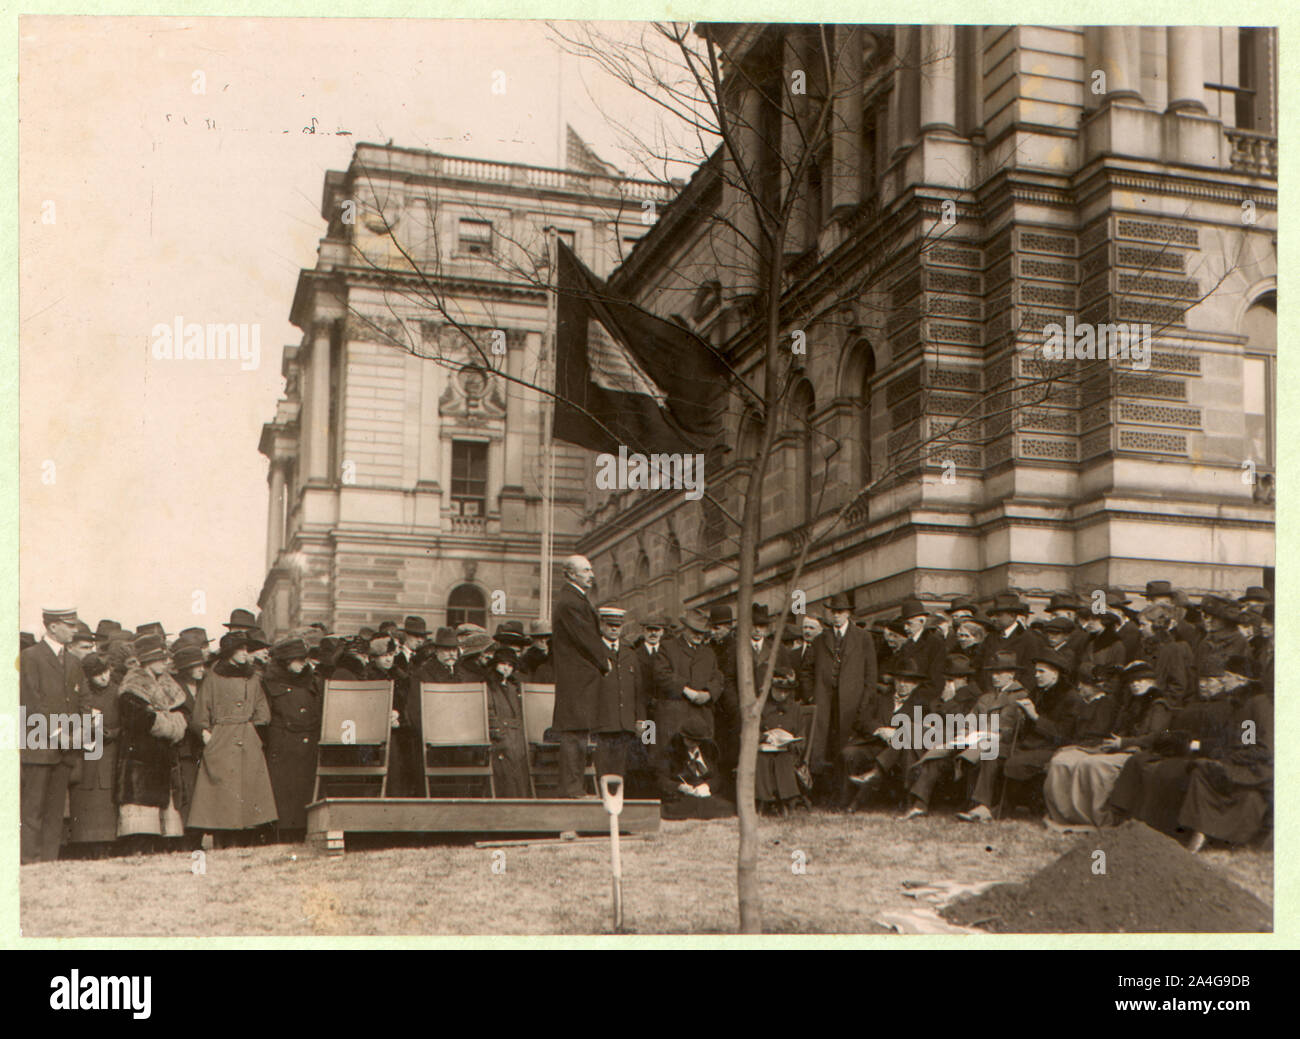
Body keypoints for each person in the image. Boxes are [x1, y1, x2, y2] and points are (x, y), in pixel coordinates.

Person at [187, 632, 278, 846]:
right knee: (222, 793)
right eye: (242, 650)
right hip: (222, 738)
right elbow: (201, 712)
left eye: (247, 649)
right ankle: (224, 840)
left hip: (247, 739)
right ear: (229, 653)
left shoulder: (253, 677)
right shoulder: (212, 678)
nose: (246, 654)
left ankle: (247, 838)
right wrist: (207, 735)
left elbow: (262, 709)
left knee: (249, 792)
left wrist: (255, 731)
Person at [19, 607, 86, 864]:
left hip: (65, 749)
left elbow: (81, 700)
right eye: (69, 625)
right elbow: (31, 701)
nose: (74, 630)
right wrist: (58, 733)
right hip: (39, 746)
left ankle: (48, 862)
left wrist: (79, 731)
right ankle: (30, 862)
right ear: (52, 626)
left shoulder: (74, 662)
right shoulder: (30, 657)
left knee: (55, 812)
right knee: (33, 809)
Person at [115, 634, 188, 852]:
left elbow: (181, 712)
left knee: (165, 807)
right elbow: (138, 719)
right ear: (147, 660)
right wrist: (168, 725)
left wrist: (175, 725)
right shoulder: (133, 685)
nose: (166, 662)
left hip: (163, 754)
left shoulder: (167, 683)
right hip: (142, 754)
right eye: (160, 658)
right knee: (142, 806)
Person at [551, 555, 609, 797]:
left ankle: (574, 789)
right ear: (570, 574)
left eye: (591, 569)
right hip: (577, 680)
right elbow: (587, 637)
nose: (591, 574)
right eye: (586, 570)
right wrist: (605, 662)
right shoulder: (571, 602)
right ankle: (572, 790)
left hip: (579, 679)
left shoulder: (575, 599)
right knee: (574, 736)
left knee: (578, 735)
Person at [649, 610, 724, 799]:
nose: (699, 636)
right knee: (674, 756)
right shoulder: (668, 647)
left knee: (702, 757)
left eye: (702, 633)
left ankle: (700, 790)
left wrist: (709, 693)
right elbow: (661, 674)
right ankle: (675, 792)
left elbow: (718, 678)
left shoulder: (708, 653)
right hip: (675, 714)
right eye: (694, 632)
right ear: (685, 629)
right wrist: (686, 690)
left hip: (701, 714)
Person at [898, 654, 982, 820]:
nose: (948, 683)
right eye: (947, 679)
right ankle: (913, 803)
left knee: (910, 736)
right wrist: (944, 702)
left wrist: (949, 701)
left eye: (952, 679)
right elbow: (933, 710)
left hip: (958, 744)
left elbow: (961, 724)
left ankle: (914, 801)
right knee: (909, 744)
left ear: (964, 679)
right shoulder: (948, 693)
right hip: (938, 740)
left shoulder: (974, 696)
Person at [810, 593, 878, 795]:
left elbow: (870, 675)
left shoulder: (863, 637)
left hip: (851, 705)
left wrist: (864, 703)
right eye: (833, 612)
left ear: (848, 613)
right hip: (825, 704)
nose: (836, 616)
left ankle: (844, 794)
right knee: (824, 747)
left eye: (840, 612)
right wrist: (811, 695)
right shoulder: (821, 639)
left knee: (846, 747)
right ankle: (824, 794)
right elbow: (807, 669)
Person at [954, 651, 1031, 822]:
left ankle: (981, 805)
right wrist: (965, 732)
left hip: (1006, 744)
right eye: (993, 673)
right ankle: (972, 803)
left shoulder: (1018, 696)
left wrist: (980, 734)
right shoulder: (987, 696)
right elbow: (970, 719)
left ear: (1011, 674)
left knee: (985, 752)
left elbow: (1006, 728)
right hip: (981, 740)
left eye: (1000, 673)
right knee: (968, 748)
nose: (994, 677)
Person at [263, 637, 322, 841]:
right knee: (284, 793)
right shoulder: (269, 681)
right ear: (285, 661)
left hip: (308, 744)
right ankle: (284, 834)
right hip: (283, 745)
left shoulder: (313, 680)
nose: (303, 663)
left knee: (305, 791)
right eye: (298, 659)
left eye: (304, 658)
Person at [591, 606, 650, 795]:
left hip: (625, 725)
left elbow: (639, 691)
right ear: (602, 625)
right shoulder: (594, 651)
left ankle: (617, 810)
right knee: (602, 770)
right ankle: (603, 810)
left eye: (617, 625)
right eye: (610, 625)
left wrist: (640, 719)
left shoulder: (630, 654)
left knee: (621, 772)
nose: (614, 629)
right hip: (602, 724)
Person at [67, 652, 120, 857]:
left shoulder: (117, 692)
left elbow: (125, 723)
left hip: (110, 751)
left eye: (106, 671)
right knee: (86, 799)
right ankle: (84, 845)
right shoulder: (82, 694)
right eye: (98, 674)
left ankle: (107, 845)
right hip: (87, 752)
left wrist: (113, 732)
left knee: (107, 799)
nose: (104, 678)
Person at [755, 668, 805, 815]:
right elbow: (751, 731)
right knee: (761, 759)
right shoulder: (761, 707)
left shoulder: (795, 709)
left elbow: (802, 735)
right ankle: (765, 800)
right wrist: (764, 737)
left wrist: (792, 743)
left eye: (785, 691)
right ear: (771, 688)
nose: (782, 694)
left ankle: (786, 801)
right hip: (765, 750)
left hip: (788, 751)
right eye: (778, 690)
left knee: (783, 759)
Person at [170, 643, 208, 836]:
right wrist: (200, 730)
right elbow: (182, 715)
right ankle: (189, 836)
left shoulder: (205, 685)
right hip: (185, 748)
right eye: (196, 665)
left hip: (205, 748)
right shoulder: (175, 688)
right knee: (187, 792)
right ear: (186, 668)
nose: (202, 669)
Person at [484, 647, 531, 797]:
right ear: (495, 664)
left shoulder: (513, 688)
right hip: (499, 734)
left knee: (521, 755)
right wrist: (500, 732)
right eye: (503, 664)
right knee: (509, 755)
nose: (506, 668)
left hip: (516, 734)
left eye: (510, 665)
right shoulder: (488, 687)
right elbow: (489, 712)